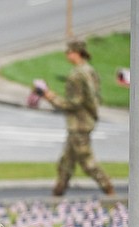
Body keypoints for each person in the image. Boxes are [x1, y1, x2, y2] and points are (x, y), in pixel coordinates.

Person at [41, 39, 115, 197]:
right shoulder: (89, 70)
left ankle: (109, 190)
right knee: (66, 162)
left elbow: (74, 102)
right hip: (83, 121)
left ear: (76, 53)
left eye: (69, 52)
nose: (67, 55)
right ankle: (57, 193)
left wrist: (51, 97)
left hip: (79, 124)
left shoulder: (77, 75)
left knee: (87, 161)